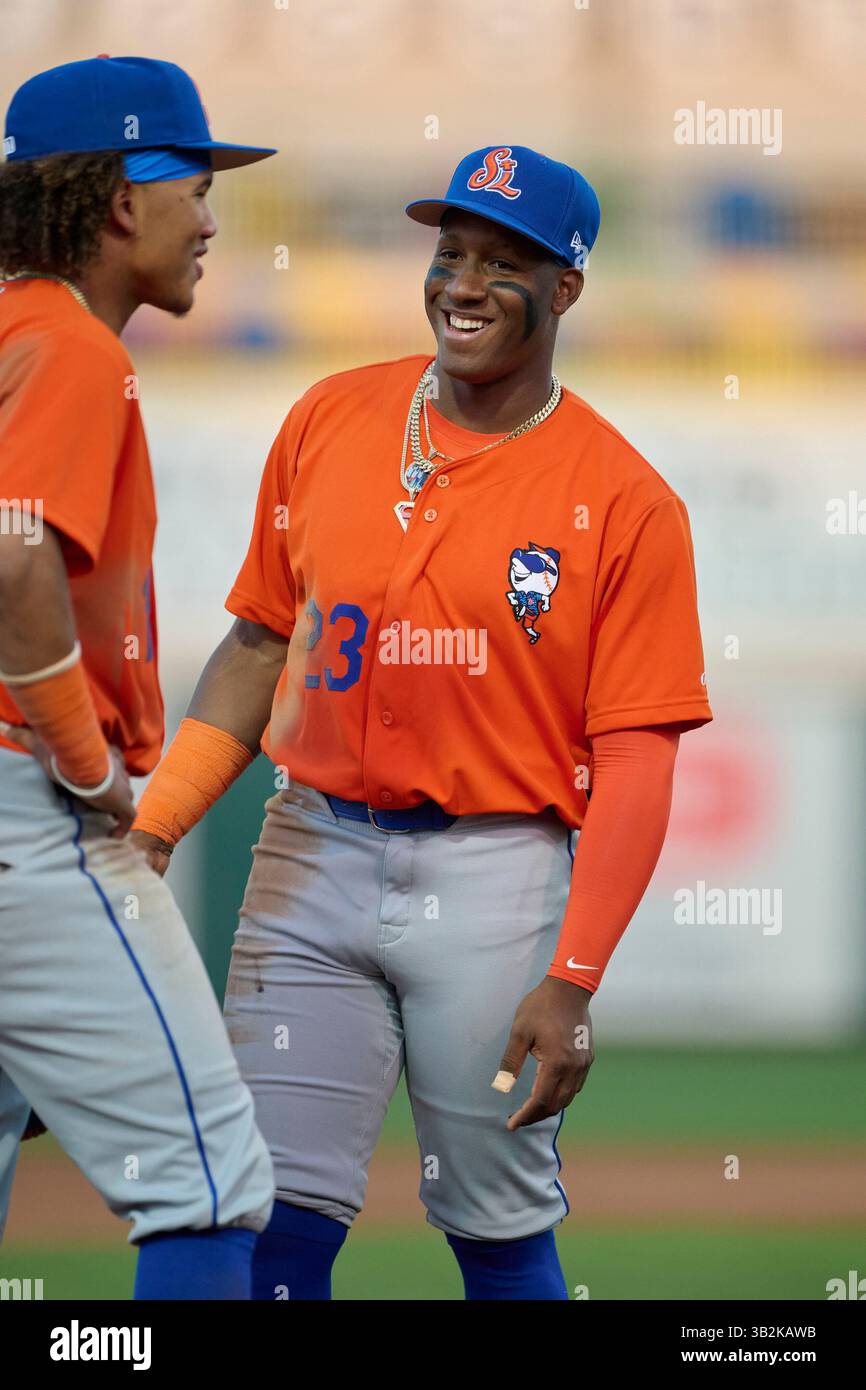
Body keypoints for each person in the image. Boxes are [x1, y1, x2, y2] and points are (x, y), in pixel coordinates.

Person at [131, 145, 713, 1301]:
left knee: (494, 1233)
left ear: (565, 289)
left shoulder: (628, 499)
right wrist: (151, 831)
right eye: (449, 252)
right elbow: (258, 644)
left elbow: (636, 760)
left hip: (495, 869)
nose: (462, 281)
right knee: (261, 1213)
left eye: (504, 262)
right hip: (311, 848)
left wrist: (574, 979)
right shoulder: (331, 416)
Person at [0, 55, 278, 1299]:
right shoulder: (67, 344)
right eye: (194, 183)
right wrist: (85, 759)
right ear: (121, 197)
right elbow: (14, 563)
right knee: (207, 1180)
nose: (210, 217)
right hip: (27, 809)